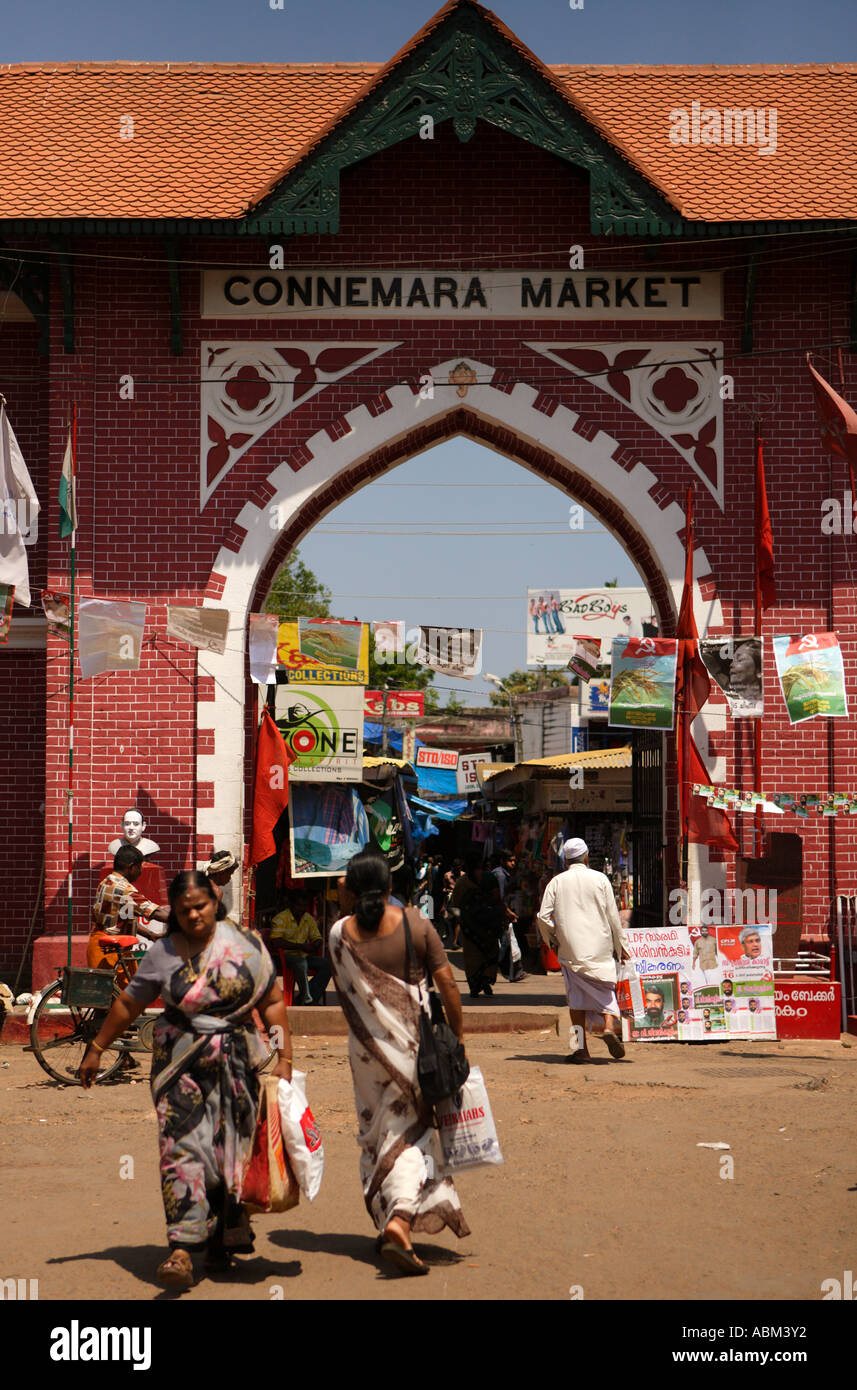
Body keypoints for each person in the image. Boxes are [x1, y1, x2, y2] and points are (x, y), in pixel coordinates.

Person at [78, 871, 292, 1291]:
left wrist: (285, 1055)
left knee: (228, 1151)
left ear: (216, 901)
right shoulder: (163, 953)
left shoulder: (246, 944)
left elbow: (272, 1002)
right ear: (173, 913)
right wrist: (98, 1047)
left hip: (237, 1066)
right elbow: (129, 1002)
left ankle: (222, 1236)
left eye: (201, 906)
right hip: (179, 1067)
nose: (194, 916)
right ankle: (181, 1248)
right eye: (184, 910)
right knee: (181, 1148)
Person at [328, 847, 470, 1276]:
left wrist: (346, 894)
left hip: (365, 1055)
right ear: (391, 885)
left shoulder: (337, 934)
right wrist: (458, 1038)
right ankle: (400, 1219)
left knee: (377, 1133)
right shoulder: (416, 924)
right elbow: (447, 984)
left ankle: (386, 1213)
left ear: (349, 889)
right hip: (412, 1052)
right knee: (413, 1135)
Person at [537, 837, 629, 1062]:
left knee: (575, 1002)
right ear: (586, 856)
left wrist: (553, 939)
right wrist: (622, 946)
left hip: (571, 951)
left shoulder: (556, 882)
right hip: (600, 946)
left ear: (566, 859)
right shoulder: (600, 879)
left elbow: (543, 916)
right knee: (606, 991)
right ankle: (608, 1027)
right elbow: (613, 918)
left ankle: (581, 1049)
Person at [87, 845, 170, 976]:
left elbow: (125, 917)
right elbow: (155, 912)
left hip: (107, 945)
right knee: (120, 994)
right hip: (109, 949)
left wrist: (150, 935)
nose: (141, 871)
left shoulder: (107, 881)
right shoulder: (123, 889)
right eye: (140, 867)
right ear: (131, 867)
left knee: (126, 992)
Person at [449, 851, 506, 998]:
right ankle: (486, 982)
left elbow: (456, 901)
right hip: (488, 925)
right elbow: (496, 898)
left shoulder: (462, 881)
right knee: (489, 952)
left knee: (472, 955)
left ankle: (474, 987)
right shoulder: (490, 878)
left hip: (469, 926)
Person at [269, 889, 331, 1005]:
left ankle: (309, 997)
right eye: (299, 905)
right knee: (300, 963)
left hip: (303, 955)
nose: (302, 909)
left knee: (327, 965)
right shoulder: (281, 918)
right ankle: (307, 999)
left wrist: (315, 944)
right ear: (291, 905)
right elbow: (276, 942)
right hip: (283, 957)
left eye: (304, 906)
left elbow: (317, 937)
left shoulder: (308, 918)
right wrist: (301, 946)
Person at [492, 852, 527, 983]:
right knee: (506, 942)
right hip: (498, 913)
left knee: (508, 942)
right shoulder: (500, 875)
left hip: (499, 912)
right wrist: (508, 913)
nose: (513, 863)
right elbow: (499, 899)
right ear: (502, 860)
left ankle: (514, 972)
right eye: (510, 861)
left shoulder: (501, 874)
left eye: (514, 860)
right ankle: (511, 972)